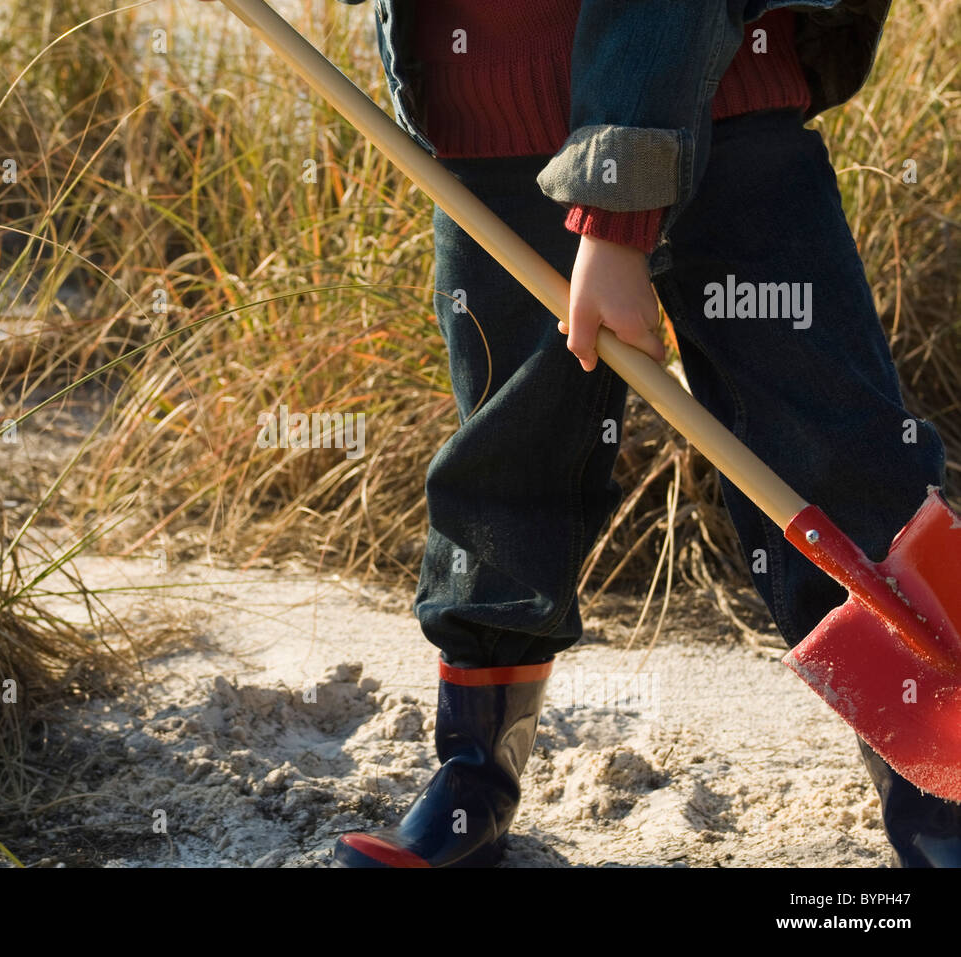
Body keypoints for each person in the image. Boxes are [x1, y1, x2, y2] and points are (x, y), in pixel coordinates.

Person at [311, 0, 961, 868]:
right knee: (508, 461)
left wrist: (616, 211)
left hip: (721, 103)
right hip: (489, 131)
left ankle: (941, 791)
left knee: (836, 453)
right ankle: (473, 782)